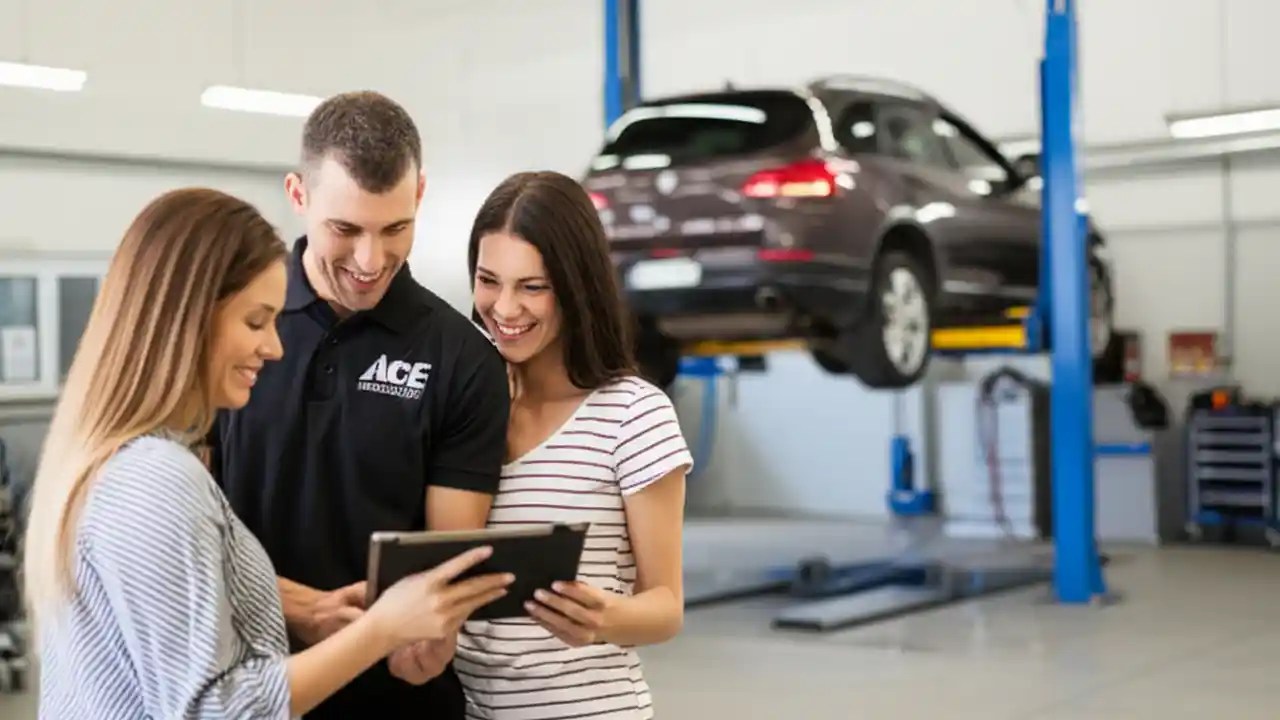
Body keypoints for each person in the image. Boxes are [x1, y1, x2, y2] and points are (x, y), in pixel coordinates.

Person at [22, 188, 514, 719]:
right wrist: (381, 629)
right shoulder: (158, 479)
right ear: (190, 316)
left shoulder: (122, 460)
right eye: (256, 322)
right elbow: (220, 710)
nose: (275, 347)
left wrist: (309, 610)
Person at [206, 91, 512, 718]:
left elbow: (446, 561)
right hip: (242, 691)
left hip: (395, 698)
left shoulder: (464, 361)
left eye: (394, 229)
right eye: (345, 230)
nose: (370, 261)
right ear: (298, 196)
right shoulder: (222, 331)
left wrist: (434, 636)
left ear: (420, 194)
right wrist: (297, 607)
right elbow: (187, 536)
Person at [446, 171, 692, 719]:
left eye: (532, 287)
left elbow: (666, 606)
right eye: (489, 281)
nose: (505, 309)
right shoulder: (459, 406)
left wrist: (606, 617)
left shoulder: (634, 414)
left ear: (576, 286)